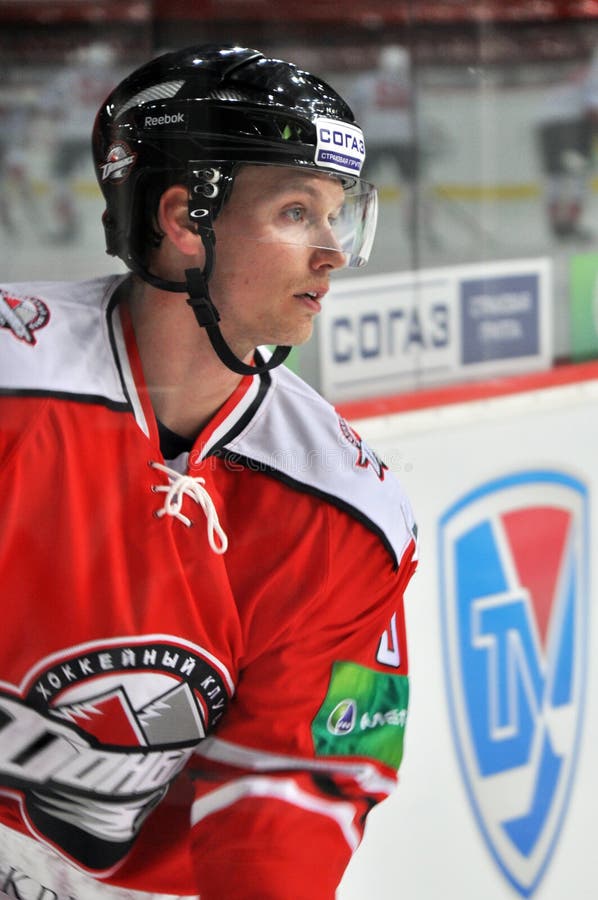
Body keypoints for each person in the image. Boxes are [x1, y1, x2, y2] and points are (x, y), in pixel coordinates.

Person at [0, 44, 418, 900]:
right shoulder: (15, 393)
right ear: (187, 218)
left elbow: (296, 784)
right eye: (299, 211)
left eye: (341, 215)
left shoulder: (349, 513)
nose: (333, 251)